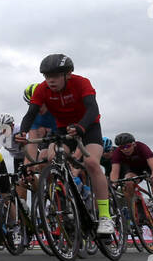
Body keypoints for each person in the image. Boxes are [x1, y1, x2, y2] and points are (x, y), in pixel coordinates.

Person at [14, 54, 113, 235]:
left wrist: (82, 126)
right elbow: (30, 114)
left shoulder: (82, 83)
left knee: (91, 163)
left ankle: (105, 217)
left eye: (55, 76)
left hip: (89, 126)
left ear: (68, 74)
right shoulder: (42, 89)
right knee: (52, 158)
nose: (50, 80)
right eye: (46, 76)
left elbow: (93, 109)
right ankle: (67, 201)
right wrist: (23, 132)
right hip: (63, 129)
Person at [109, 132, 153, 239]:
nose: (125, 150)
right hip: (134, 171)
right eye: (122, 147)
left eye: (127, 146)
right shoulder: (117, 153)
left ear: (133, 144)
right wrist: (113, 184)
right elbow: (114, 171)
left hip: (149, 169)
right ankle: (135, 212)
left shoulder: (142, 147)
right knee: (128, 182)